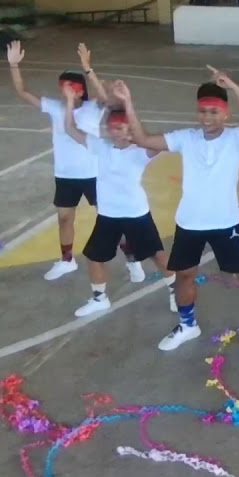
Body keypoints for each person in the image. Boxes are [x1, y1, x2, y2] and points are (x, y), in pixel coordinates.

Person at [118, 70, 239, 355]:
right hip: (189, 224)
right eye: (202, 111)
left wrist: (234, 86)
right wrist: (127, 101)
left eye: (214, 111)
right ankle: (188, 325)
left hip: (226, 225)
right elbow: (142, 139)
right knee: (184, 277)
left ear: (225, 114)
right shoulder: (186, 138)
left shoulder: (237, 138)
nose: (207, 117)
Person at [8, 41, 146, 282]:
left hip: (93, 174)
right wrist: (13, 66)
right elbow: (22, 92)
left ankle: (132, 259)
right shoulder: (54, 107)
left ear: (80, 90)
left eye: (70, 87)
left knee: (112, 219)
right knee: (64, 218)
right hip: (65, 175)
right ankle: (66, 260)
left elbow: (107, 99)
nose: (65, 91)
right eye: (62, 87)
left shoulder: (94, 108)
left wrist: (88, 69)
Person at [59, 82, 177, 317]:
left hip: (136, 213)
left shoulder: (142, 151)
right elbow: (71, 129)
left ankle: (175, 291)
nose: (117, 131)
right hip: (108, 216)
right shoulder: (99, 146)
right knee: (93, 256)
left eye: (123, 127)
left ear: (131, 129)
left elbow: (149, 137)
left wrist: (128, 102)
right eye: (114, 127)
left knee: (157, 255)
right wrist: (70, 101)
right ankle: (99, 298)